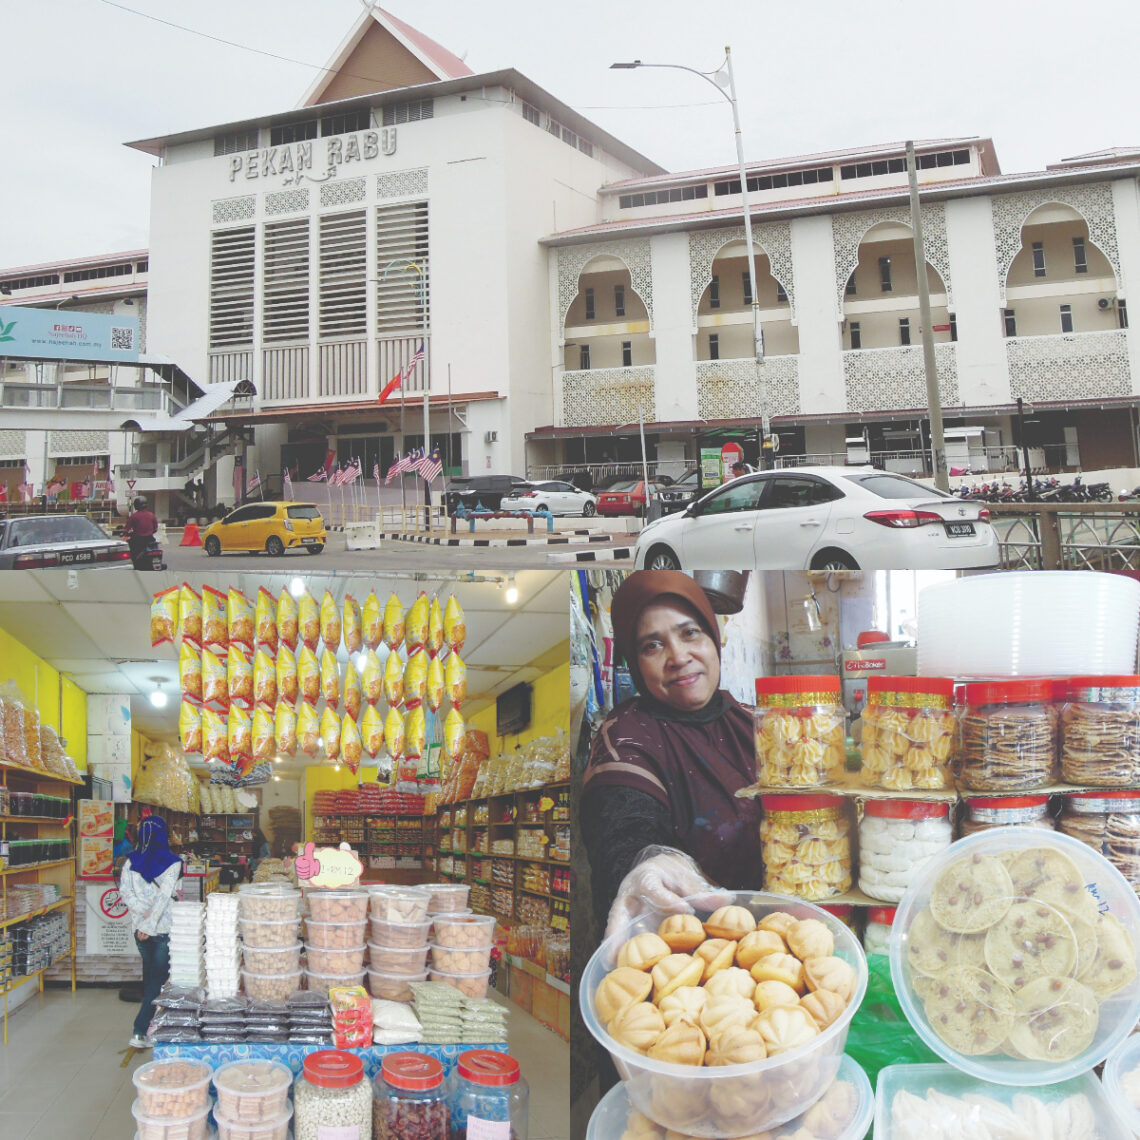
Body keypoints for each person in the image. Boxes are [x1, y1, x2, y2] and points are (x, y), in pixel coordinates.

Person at [581, 571, 762, 940]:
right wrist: (649, 860)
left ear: (714, 638)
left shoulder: (753, 721)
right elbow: (623, 826)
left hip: (784, 938)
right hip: (686, 959)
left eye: (690, 632)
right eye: (652, 646)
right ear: (635, 662)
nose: (678, 657)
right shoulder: (626, 736)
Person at [118, 815, 183, 1049]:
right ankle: (140, 1031)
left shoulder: (130, 862)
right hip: (162, 930)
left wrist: (143, 923)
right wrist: (150, 924)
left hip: (140, 932)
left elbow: (126, 895)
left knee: (153, 979)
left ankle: (154, 1025)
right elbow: (164, 898)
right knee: (157, 980)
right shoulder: (173, 862)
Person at [123, 496, 158, 563]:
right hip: (150, 538)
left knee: (130, 546)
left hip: (138, 539)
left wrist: (125, 533)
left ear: (136, 505)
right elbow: (155, 529)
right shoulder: (151, 515)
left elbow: (126, 529)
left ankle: (135, 561)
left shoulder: (134, 516)